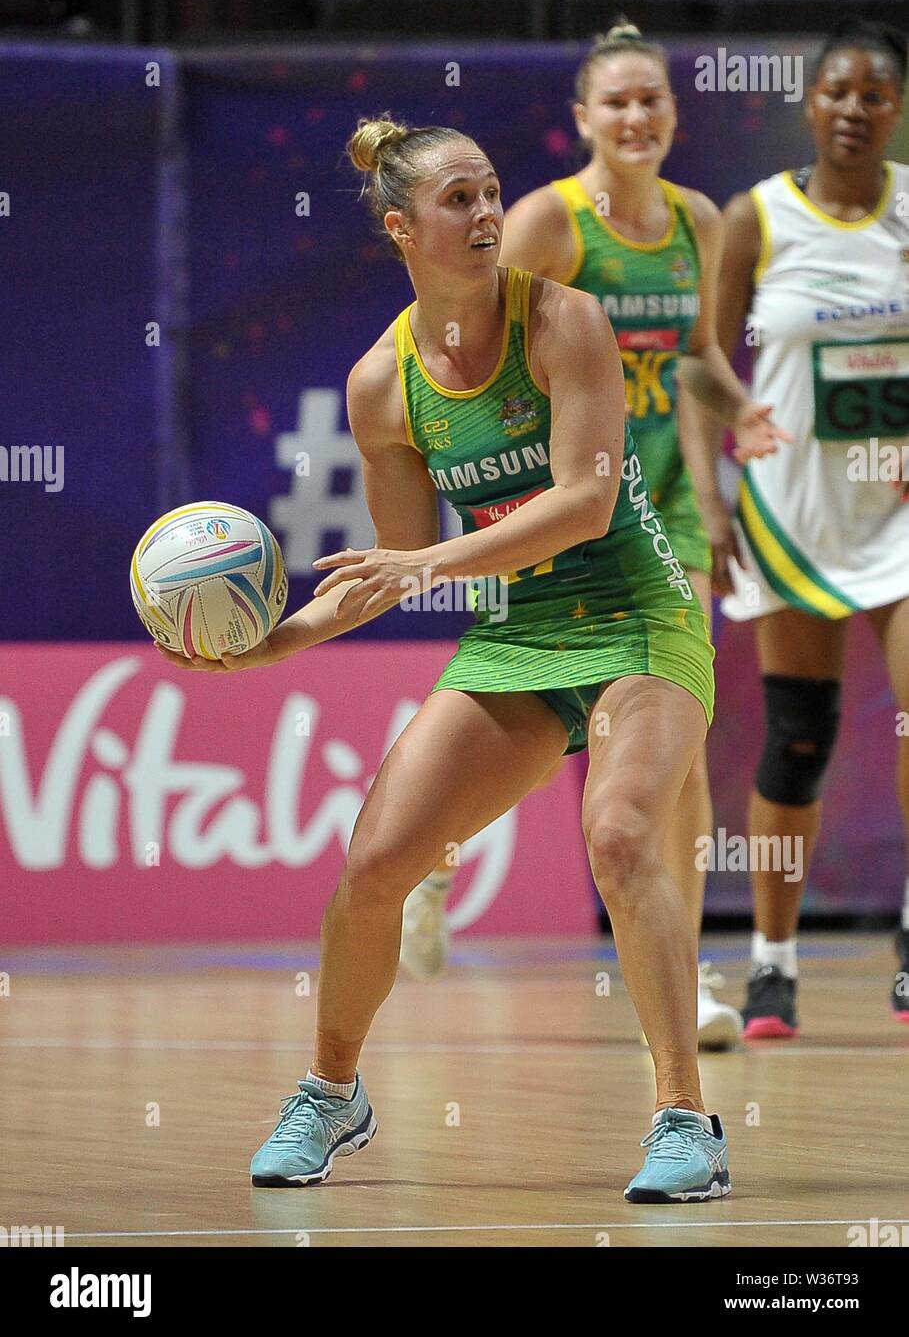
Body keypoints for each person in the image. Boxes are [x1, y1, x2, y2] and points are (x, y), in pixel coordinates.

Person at [158, 114, 742, 1201]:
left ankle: (686, 1118)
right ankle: (332, 1092)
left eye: (490, 194)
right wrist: (262, 649)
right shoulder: (381, 386)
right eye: (457, 201)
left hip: (638, 616)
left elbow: (584, 501)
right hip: (519, 634)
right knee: (376, 864)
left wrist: (423, 568)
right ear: (400, 227)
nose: (485, 216)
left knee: (617, 834)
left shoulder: (565, 321)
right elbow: (385, 570)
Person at [401, 21, 788, 1052]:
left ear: (673, 112)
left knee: (679, 749)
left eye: (651, 100)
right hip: (562, 512)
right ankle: (434, 861)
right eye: (615, 102)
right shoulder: (547, 224)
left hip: (661, 517)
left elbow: (698, 356)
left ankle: (690, 966)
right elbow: (478, 358)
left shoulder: (699, 220)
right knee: (535, 745)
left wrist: (733, 426)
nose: (636, 117)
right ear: (583, 119)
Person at [699, 17, 909, 1036]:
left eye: (875, 94)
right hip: (791, 512)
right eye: (837, 91)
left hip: (899, 507)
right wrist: (708, 489)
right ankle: (773, 965)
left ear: (896, 109)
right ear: (811, 102)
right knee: (798, 739)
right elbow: (702, 361)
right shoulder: (758, 217)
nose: (853, 110)